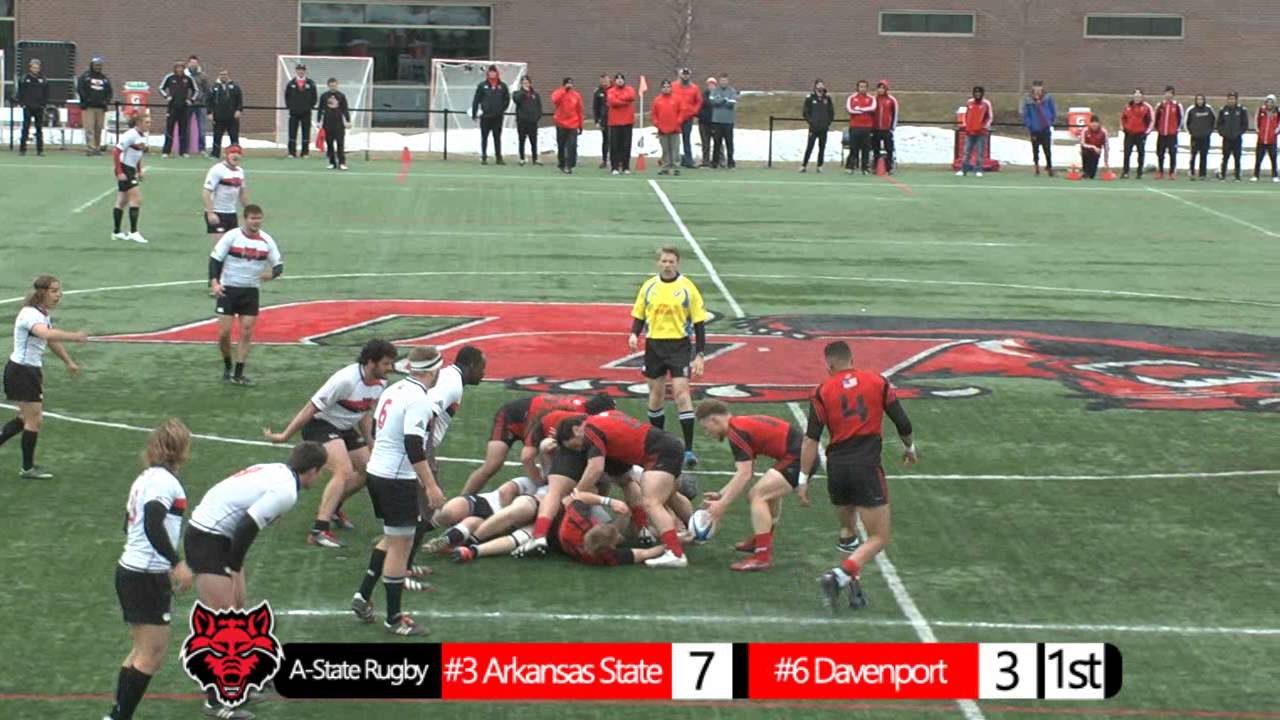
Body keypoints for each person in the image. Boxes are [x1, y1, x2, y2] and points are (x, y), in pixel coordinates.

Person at [185, 442, 326, 716]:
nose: (318, 478)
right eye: (319, 472)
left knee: (238, 612)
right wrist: (232, 567)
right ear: (312, 470)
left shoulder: (279, 471)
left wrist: (234, 567)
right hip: (207, 540)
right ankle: (214, 701)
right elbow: (247, 526)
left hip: (218, 536)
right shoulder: (286, 491)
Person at [802, 341, 916, 612]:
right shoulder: (877, 381)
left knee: (847, 529)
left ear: (829, 364)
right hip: (866, 465)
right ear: (852, 359)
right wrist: (909, 447)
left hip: (837, 468)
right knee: (879, 537)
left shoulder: (821, 391)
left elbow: (810, 439)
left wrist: (802, 479)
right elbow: (902, 422)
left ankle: (854, 591)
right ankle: (840, 576)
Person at [262, 339, 397, 548]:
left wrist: (372, 443)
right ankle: (318, 530)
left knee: (369, 470)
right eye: (386, 363)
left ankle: (333, 508)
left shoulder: (380, 382)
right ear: (371, 362)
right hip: (320, 425)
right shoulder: (346, 380)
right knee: (343, 470)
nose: (391, 368)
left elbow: (363, 413)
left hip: (344, 427)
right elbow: (311, 408)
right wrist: (285, 435)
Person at [350, 347, 445, 637]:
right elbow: (414, 445)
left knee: (393, 538)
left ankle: (363, 595)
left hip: (379, 471)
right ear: (433, 370)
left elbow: (378, 434)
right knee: (401, 545)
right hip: (395, 478)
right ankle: (393, 618)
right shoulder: (418, 399)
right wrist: (430, 485)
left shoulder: (395, 389)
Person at [105, 419, 194, 720]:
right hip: (145, 576)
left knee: (141, 650)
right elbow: (151, 520)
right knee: (151, 653)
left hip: (133, 570)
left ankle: (117, 714)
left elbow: (127, 524)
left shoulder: (145, 478)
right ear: (181, 449)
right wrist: (175, 562)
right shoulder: (163, 482)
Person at [553, 413, 689, 568]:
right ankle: (694, 531)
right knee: (669, 496)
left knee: (652, 502)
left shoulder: (590, 431)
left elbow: (595, 469)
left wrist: (575, 494)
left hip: (658, 452)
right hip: (663, 446)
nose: (580, 448)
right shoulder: (601, 421)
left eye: (576, 445)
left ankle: (676, 553)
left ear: (577, 429)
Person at [696, 401, 801, 572]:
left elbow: (744, 474)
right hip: (796, 454)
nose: (708, 433)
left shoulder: (736, 432)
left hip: (798, 458)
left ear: (714, 420)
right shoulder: (740, 424)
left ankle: (761, 557)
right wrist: (721, 495)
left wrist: (722, 505)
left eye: (706, 428)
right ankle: (761, 542)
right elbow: (746, 472)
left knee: (757, 495)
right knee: (767, 495)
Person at [2, 275, 87, 479]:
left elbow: (50, 340)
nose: (59, 295)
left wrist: (69, 361)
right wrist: (74, 336)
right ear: (41, 293)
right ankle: (27, 468)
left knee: (26, 418)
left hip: (27, 371)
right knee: (34, 420)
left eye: (59, 291)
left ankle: (27, 467)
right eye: (54, 291)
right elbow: (47, 335)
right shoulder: (30, 315)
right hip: (22, 372)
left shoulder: (41, 313)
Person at [629, 245, 706, 467]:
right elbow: (639, 314)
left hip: (679, 346)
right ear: (658, 263)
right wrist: (634, 334)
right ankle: (658, 444)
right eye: (664, 261)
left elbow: (699, 322)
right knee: (656, 395)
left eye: (671, 261)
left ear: (677, 263)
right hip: (654, 346)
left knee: (682, 394)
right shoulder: (649, 286)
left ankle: (689, 449)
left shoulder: (687, 288)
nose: (667, 265)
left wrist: (699, 354)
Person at [208, 205, 282, 386]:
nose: (256, 222)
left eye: (259, 218)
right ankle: (227, 365)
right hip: (228, 290)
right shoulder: (232, 236)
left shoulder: (267, 241)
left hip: (250, 291)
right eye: (252, 218)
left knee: (246, 332)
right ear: (245, 219)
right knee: (224, 333)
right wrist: (215, 283)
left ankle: (239, 373)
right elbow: (215, 260)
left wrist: (270, 275)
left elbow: (278, 266)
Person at [461, 392, 590, 495]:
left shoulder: (579, 418)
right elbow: (526, 457)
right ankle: (462, 500)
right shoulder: (573, 420)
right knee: (492, 465)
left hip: (538, 421)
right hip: (518, 417)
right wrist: (539, 484)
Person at [112, 114, 151, 244]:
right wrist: (119, 171)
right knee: (136, 199)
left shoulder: (142, 136)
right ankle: (133, 232)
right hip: (125, 169)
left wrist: (139, 170)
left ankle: (116, 232)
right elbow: (116, 151)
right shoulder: (130, 135)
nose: (149, 124)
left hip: (131, 169)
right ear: (139, 123)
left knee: (122, 201)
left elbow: (138, 154)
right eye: (146, 122)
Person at [202, 145, 248, 245]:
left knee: (233, 246)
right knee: (220, 247)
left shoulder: (240, 171)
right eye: (232, 153)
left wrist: (249, 211)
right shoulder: (217, 170)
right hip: (217, 213)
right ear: (226, 155)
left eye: (238, 153)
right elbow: (206, 192)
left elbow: (242, 193)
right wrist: (210, 213)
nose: (235, 155)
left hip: (231, 213)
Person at [471, 64, 510, 165]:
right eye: (490, 72)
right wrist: (475, 113)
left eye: (494, 72)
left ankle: (498, 157)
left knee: (497, 137)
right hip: (485, 116)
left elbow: (507, 99)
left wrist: (501, 109)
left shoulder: (503, 86)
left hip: (498, 116)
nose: (492, 74)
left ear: (497, 73)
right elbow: (476, 100)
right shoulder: (482, 85)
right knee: (484, 137)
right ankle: (484, 156)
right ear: (488, 73)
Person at [77, 56, 113, 156]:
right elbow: (80, 89)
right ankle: (90, 148)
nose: (98, 67)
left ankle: (97, 147)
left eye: (100, 65)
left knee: (98, 128)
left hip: (101, 108)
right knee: (89, 128)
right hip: (88, 107)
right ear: (92, 65)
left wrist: (106, 101)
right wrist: (86, 100)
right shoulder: (85, 77)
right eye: (96, 65)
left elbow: (109, 92)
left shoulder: (104, 78)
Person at [159, 62, 195, 158]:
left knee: (183, 130)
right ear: (175, 68)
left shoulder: (188, 79)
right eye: (177, 68)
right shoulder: (169, 78)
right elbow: (161, 88)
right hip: (172, 108)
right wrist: (167, 96)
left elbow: (196, 90)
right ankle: (166, 151)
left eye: (181, 68)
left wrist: (191, 100)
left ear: (184, 69)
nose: (179, 69)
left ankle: (183, 152)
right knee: (169, 129)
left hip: (184, 108)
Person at [207, 69, 243, 159]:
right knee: (217, 136)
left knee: (234, 136)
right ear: (219, 75)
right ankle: (215, 154)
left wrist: (239, 110)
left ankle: (235, 153)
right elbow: (208, 101)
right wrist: (209, 112)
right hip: (218, 117)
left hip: (232, 117)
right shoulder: (214, 87)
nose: (223, 76)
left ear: (228, 75)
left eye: (225, 74)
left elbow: (239, 100)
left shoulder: (234, 87)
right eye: (221, 74)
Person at [1022, 80, 1055, 176]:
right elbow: (1026, 114)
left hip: (1045, 127)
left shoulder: (1048, 97)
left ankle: (1050, 167)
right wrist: (1030, 125)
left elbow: (1052, 110)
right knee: (1035, 149)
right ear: (1032, 87)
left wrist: (1050, 121)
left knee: (1047, 149)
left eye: (1039, 86)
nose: (1037, 89)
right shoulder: (1028, 99)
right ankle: (1036, 166)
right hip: (1034, 129)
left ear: (1042, 87)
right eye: (1035, 86)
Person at [551, 77, 584, 174]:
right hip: (561, 123)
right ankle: (562, 163)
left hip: (573, 124)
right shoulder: (559, 93)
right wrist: (564, 91)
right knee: (561, 145)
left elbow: (579, 111)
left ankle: (569, 165)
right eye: (567, 83)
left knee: (572, 145)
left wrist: (580, 125)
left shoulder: (576, 96)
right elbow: (554, 100)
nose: (570, 85)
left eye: (571, 83)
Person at [16, 59, 49, 157]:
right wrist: (22, 103)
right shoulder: (24, 78)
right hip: (28, 107)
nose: (36, 69)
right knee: (25, 128)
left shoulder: (43, 79)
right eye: (34, 67)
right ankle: (22, 150)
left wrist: (44, 104)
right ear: (30, 68)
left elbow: (46, 93)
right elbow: (20, 92)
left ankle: (40, 150)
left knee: (39, 129)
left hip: (39, 108)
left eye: (37, 67)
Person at [317, 77, 351, 170]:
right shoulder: (324, 96)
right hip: (327, 123)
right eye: (331, 85)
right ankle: (332, 162)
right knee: (329, 144)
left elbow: (345, 109)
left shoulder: (341, 96)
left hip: (339, 123)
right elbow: (320, 109)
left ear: (337, 85)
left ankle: (342, 163)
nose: (333, 87)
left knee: (340, 143)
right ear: (328, 86)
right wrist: (318, 121)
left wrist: (348, 121)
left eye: (334, 85)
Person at [284, 63, 317, 159]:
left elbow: (314, 97)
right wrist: (291, 107)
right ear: (296, 71)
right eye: (299, 69)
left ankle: (305, 152)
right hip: (294, 113)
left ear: (305, 71)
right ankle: (292, 152)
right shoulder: (291, 84)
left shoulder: (310, 83)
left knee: (306, 132)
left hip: (306, 113)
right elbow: (287, 97)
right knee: (292, 132)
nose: (301, 71)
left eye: (302, 69)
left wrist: (309, 106)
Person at [606, 73, 637, 174]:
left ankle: (625, 167)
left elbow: (631, 96)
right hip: (614, 122)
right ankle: (614, 167)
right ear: (614, 81)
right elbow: (612, 101)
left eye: (621, 79)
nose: (620, 80)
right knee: (614, 146)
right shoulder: (610, 91)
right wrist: (624, 102)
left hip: (627, 121)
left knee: (626, 145)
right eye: (617, 79)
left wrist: (619, 98)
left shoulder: (629, 89)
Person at [800, 79, 834, 173]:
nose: (820, 86)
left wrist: (828, 122)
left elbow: (831, 112)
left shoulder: (827, 98)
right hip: (813, 128)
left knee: (822, 147)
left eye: (822, 85)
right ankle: (804, 165)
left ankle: (820, 166)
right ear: (815, 86)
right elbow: (805, 112)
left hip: (824, 128)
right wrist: (811, 121)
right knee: (810, 146)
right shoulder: (810, 98)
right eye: (819, 84)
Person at [1119, 89, 1154, 179]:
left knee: (1141, 153)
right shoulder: (1127, 106)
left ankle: (1139, 172)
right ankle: (1125, 172)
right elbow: (1123, 118)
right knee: (1127, 153)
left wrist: (1146, 133)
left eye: (1139, 96)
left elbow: (1151, 120)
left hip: (1140, 134)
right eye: (1135, 96)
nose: (1137, 98)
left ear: (1142, 97)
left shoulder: (1147, 107)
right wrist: (1123, 127)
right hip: (1129, 133)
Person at [958, 86, 992, 177]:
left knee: (980, 152)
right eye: (976, 92)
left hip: (981, 132)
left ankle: (978, 169)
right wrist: (966, 125)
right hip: (970, 131)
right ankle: (963, 170)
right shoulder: (969, 102)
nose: (977, 94)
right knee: (966, 151)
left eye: (979, 93)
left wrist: (984, 126)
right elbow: (966, 115)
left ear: (982, 94)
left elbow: (989, 116)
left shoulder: (986, 103)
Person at [673, 67, 702, 168]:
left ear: (689, 75)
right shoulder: (673, 86)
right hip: (675, 117)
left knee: (687, 139)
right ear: (680, 75)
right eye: (683, 74)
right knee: (673, 139)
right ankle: (671, 160)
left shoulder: (694, 88)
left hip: (688, 117)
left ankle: (688, 160)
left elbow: (698, 101)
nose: (685, 76)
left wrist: (694, 111)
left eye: (687, 74)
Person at [844, 79, 876, 174]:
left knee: (866, 148)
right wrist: (862, 111)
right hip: (855, 126)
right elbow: (850, 109)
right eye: (861, 86)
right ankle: (850, 167)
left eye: (864, 87)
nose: (862, 88)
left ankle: (865, 168)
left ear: (867, 88)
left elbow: (873, 108)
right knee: (853, 148)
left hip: (867, 127)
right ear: (857, 88)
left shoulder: (871, 98)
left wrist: (861, 109)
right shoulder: (851, 98)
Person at [653, 79, 683, 175]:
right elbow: (654, 115)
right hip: (662, 129)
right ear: (661, 89)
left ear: (671, 88)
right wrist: (657, 124)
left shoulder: (677, 99)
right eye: (664, 87)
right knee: (665, 149)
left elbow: (681, 112)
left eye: (668, 87)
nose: (666, 89)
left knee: (675, 149)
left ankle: (676, 167)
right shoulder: (657, 100)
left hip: (675, 128)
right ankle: (665, 167)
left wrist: (678, 122)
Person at [708, 73, 738, 169]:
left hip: (728, 122)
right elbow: (712, 102)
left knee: (729, 143)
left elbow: (731, 104)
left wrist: (720, 100)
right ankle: (714, 162)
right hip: (717, 121)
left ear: (728, 81)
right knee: (717, 143)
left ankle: (730, 162)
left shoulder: (732, 91)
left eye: (725, 80)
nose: (723, 82)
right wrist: (724, 100)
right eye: (721, 80)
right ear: (719, 81)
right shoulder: (714, 90)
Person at [1152, 86, 1183, 179]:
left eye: (1170, 93)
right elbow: (1155, 118)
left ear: (1173, 95)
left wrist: (1177, 129)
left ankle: (1172, 172)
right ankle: (1160, 171)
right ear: (1164, 94)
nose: (1168, 95)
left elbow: (1181, 118)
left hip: (1172, 134)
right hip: (1161, 134)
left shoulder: (1177, 105)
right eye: (1167, 93)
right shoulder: (1160, 105)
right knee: (1160, 153)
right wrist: (1157, 128)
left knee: (1172, 153)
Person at [1217, 92, 1249, 181]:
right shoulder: (1223, 110)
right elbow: (1219, 124)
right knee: (1225, 157)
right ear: (1227, 100)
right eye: (1230, 99)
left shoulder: (1241, 110)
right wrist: (1223, 133)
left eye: (1233, 99)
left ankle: (1237, 176)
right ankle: (1223, 175)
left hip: (1237, 139)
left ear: (1236, 100)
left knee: (1237, 158)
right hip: (1226, 139)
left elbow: (1245, 124)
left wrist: (1239, 133)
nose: (1231, 101)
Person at [512, 76, 542, 166]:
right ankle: (521, 158)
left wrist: (536, 117)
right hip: (522, 121)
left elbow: (539, 107)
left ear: (530, 83)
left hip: (532, 121)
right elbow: (517, 100)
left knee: (534, 141)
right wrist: (523, 92)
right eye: (524, 82)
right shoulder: (517, 93)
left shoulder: (535, 94)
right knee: (522, 140)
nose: (526, 84)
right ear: (521, 84)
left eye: (527, 82)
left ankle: (535, 158)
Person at [872, 79, 899, 175]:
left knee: (889, 149)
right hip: (875, 129)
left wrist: (892, 128)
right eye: (879, 87)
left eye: (883, 88)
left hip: (887, 129)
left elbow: (895, 114)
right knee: (876, 149)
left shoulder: (892, 100)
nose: (881, 90)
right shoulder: (873, 99)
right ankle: (875, 167)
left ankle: (889, 168)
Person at [1185, 95, 1215, 181]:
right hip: (1195, 137)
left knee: (1204, 155)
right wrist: (1191, 133)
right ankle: (1192, 172)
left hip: (1205, 137)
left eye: (1201, 99)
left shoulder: (1209, 109)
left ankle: (1203, 174)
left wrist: (1209, 132)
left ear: (1204, 100)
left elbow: (1213, 121)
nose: (1199, 101)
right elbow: (1186, 122)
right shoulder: (1191, 109)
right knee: (1193, 155)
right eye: (1198, 99)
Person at [186, 56, 211, 154]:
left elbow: (207, 90)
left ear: (197, 64)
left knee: (202, 128)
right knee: (186, 127)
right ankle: (186, 148)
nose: (193, 64)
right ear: (188, 64)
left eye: (195, 63)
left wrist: (203, 101)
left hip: (201, 105)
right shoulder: (185, 76)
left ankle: (202, 148)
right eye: (191, 63)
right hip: (188, 105)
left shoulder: (203, 76)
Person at [1254, 95, 1279, 182]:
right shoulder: (1261, 110)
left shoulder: (1277, 111)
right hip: (1261, 138)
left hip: (1272, 139)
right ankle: (1256, 175)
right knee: (1258, 158)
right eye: (1268, 102)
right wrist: (1258, 131)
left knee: (1273, 158)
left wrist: (1275, 132)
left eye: (1271, 102)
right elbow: (1256, 121)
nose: (1269, 104)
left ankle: (1275, 175)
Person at [1079, 115, 1110, 180]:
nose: (1094, 125)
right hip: (1087, 150)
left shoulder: (1104, 132)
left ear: (1099, 123)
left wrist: (1106, 162)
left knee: (1092, 175)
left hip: (1096, 152)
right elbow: (1082, 143)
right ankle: (1085, 172)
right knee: (1085, 152)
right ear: (1090, 123)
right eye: (1092, 123)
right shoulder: (1085, 130)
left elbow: (1106, 147)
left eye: (1096, 123)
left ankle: (1090, 173)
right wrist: (1093, 147)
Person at [592, 74, 611, 169]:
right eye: (602, 81)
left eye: (605, 80)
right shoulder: (598, 92)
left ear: (609, 80)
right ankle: (604, 160)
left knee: (615, 141)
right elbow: (595, 108)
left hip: (615, 119)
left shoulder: (614, 89)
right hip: (604, 120)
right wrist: (596, 120)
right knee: (606, 140)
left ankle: (616, 160)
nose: (604, 82)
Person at [698, 77, 717, 167]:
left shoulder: (718, 95)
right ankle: (705, 161)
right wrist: (700, 115)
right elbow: (698, 107)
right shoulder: (702, 95)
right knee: (705, 143)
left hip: (715, 123)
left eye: (713, 84)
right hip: (703, 122)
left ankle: (719, 161)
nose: (711, 86)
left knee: (718, 143)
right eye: (709, 84)